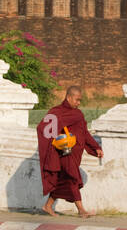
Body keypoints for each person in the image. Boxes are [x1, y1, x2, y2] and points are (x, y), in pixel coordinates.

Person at [36, 85, 103, 217]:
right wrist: (56, 140)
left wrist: (96, 147)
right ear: (68, 97)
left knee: (64, 181)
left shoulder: (78, 114)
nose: (78, 103)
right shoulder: (56, 112)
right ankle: (82, 210)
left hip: (75, 154)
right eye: (76, 100)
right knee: (73, 178)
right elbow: (42, 128)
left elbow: (85, 133)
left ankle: (47, 206)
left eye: (80, 100)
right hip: (64, 153)